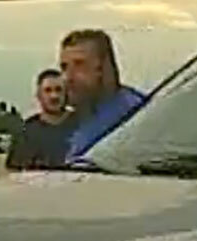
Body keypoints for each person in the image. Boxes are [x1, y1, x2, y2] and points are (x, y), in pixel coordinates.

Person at [59, 29, 146, 161]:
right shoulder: (81, 123)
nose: (67, 77)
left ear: (103, 68)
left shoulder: (135, 117)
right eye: (64, 67)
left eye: (79, 65)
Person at [5, 68, 74, 171]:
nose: (54, 96)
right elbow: (14, 172)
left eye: (58, 90)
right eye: (48, 90)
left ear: (66, 93)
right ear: (39, 95)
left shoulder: (82, 125)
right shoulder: (26, 132)